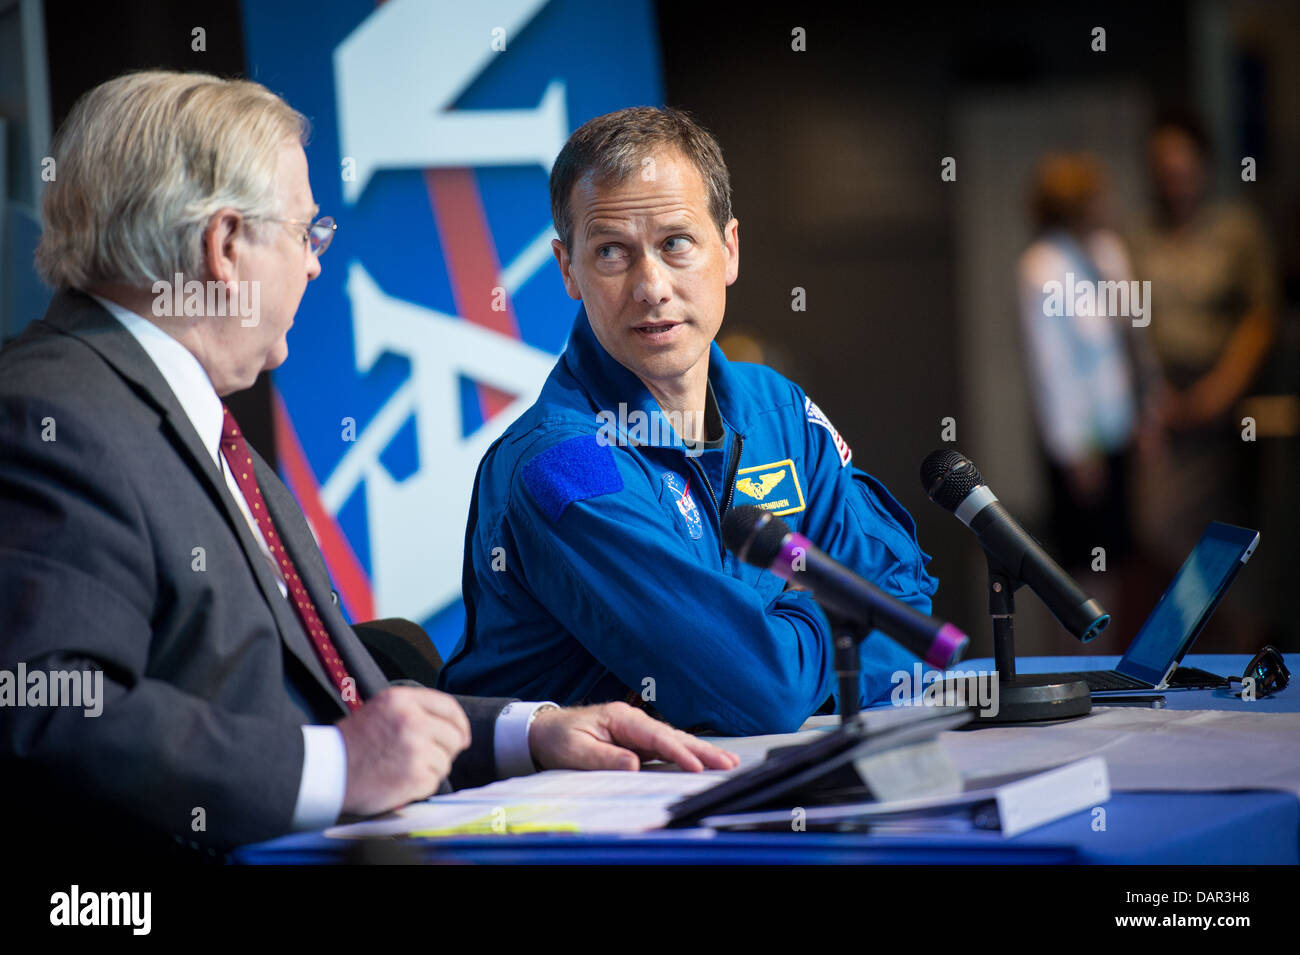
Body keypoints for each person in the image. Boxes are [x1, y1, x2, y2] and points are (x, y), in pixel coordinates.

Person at [0, 72, 735, 861]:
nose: (316, 265)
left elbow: (338, 698)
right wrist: (340, 767)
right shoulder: (51, 415)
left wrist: (535, 731)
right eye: (306, 233)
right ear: (222, 246)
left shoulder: (201, 430)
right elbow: (48, 711)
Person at [439, 107, 938, 735]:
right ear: (568, 270)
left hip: (747, 797)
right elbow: (759, 693)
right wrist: (835, 618)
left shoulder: (775, 408)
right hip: (581, 821)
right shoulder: (564, 465)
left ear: (728, 250)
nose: (651, 287)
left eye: (676, 243)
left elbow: (909, 607)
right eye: (612, 252)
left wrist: (783, 638)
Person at [1127, 114, 1279, 647]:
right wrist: (1149, 391)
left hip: (1226, 400)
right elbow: (1129, 317)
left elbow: (1261, 316)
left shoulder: (1236, 229)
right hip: (1164, 398)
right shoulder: (1140, 235)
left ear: (1203, 166)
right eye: (1163, 169)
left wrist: (1222, 388)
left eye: (1182, 166)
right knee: (1158, 523)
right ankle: (1213, 634)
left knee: (1230, 530)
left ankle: (1246, 642)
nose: (1174, 178)